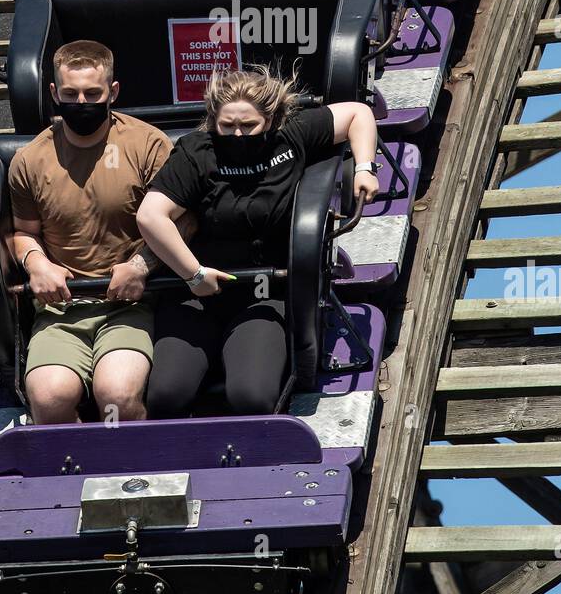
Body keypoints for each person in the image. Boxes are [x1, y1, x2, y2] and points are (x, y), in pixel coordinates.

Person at [136, 66, 380, 416]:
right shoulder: (196, 152)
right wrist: (194, 274)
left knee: (250, 397)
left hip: (264, 294)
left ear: (271, 120)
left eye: (248, 126)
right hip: (197, 295)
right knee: (166, 396)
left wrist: (363, 168)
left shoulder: (293, 135)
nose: (237, 134)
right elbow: (150, 216)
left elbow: (358, 113)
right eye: (227, 126)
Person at [9, 40, 182, 425]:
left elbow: (184, 220)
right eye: (70, 94)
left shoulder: (147, 144)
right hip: (62, 310)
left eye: (93, 93)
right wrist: (36, 264)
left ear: (113, 93)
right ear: (55, 94)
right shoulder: (30, 159)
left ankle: (133, 470)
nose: (81, 102)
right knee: (49, 398)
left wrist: (141, 265)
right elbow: (22, 233)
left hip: (129, 304)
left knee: (116, 397)